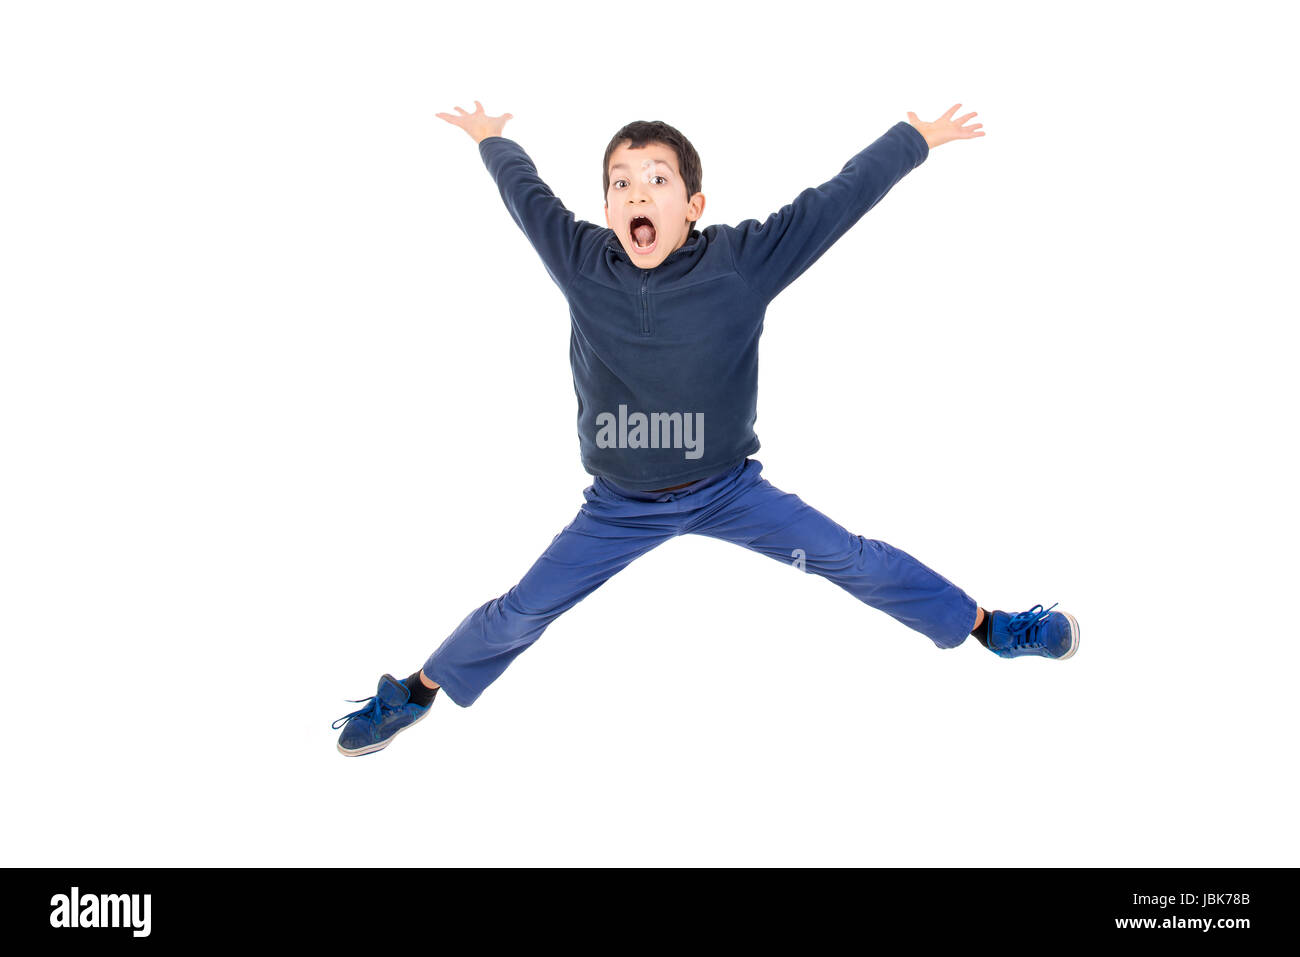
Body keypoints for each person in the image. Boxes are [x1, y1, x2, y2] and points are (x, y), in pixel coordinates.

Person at [333, 100, 1079, 757]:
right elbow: (525, 196)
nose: (635, 192)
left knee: (852, 558)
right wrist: (492, 139)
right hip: (618, 506)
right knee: (524, 608)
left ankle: (991, 626)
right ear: (607, 208)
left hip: (729, 492)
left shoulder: (741, 263)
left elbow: (834, 202)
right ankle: (418, 688)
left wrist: (912, 137)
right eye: (620, 183)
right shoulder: (581, 260)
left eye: (655, 178)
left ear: (692, 204)